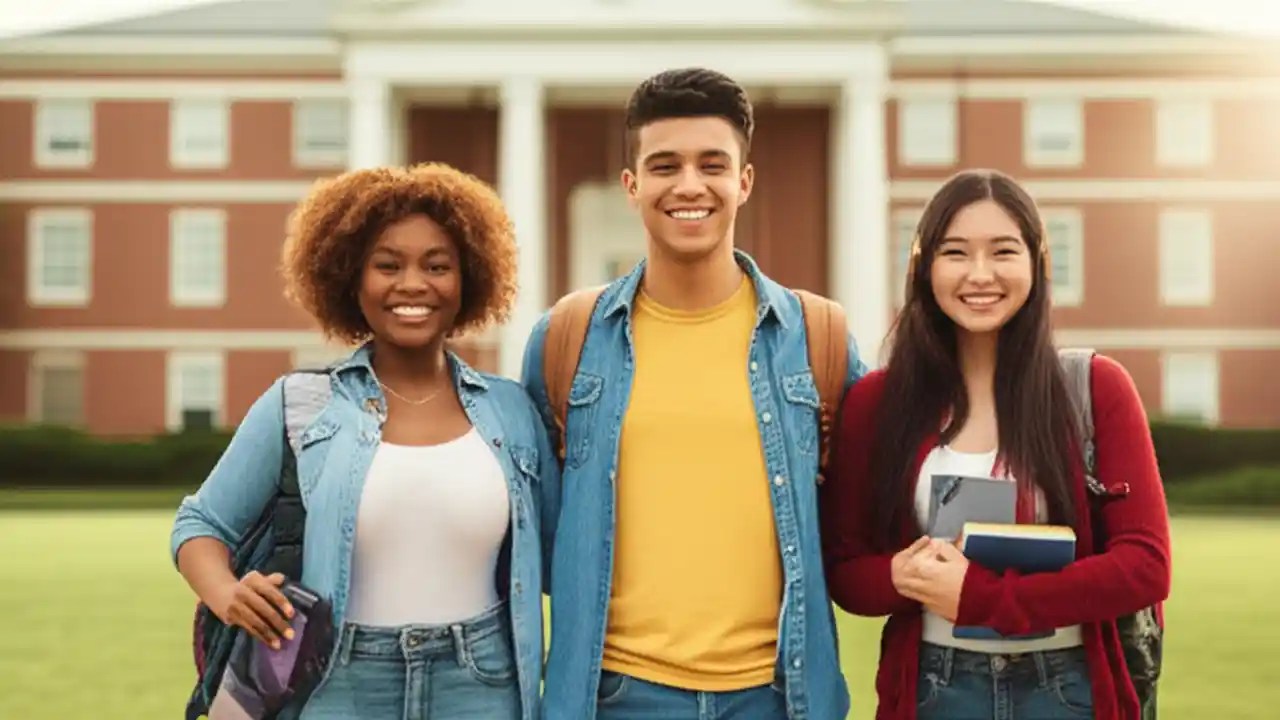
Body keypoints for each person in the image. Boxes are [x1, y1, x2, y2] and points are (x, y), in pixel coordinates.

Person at [521, 67, 865, 720]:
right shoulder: (567, 339)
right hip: (616, 697)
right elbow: (532, 526)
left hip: (776, 698)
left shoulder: (816, 338)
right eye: (664, 166)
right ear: (632, 185)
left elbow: (873, 504)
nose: (688, 185)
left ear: (744, 181)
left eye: (712, 165)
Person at [170, 163, 559, 720]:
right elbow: (200, 525)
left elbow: (562, 552)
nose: (413, 284)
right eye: (387, 265)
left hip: (482, 682)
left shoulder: (512, 410)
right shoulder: (299, 404)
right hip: (339, 681)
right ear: (351, 279)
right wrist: (228, 595)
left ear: (468, 279)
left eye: (437, 266)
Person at [819, 168, 1172, 720]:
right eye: (955, 252)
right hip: (935, 686)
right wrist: (899, 576)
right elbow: (845, 569)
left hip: (1068, 686)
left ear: (1037, 263)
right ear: (924, 267)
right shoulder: (877, 402)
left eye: (1003, 251)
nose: (980, 274)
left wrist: (984, 600)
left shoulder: (1096, 388)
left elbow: (1145, 565)